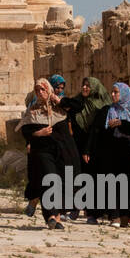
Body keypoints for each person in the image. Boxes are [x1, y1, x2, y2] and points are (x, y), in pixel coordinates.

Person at [17, 78, 80, 230]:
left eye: (43, 89)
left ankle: (57, 217)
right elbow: (25, 131)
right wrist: (38, 133)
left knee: (62, 182)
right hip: (43, 152)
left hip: (63, 152)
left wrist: (59, 101)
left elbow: (79, 107)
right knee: (50, 180)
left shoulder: (62, 107)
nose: (40, 93)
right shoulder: (33, 111)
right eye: (37, 90)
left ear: (49, 90)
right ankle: (50, 215)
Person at [85, 81, 130, 226]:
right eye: (112, 92)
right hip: (110, 153)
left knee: (126, 185)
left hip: (128, 154)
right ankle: (113, 215)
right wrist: (88, 150)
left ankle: (125, 216)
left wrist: (122, 124)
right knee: (111, 183)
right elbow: (95, 132)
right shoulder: (106, 111)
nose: (113, 95)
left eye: (116, 92)